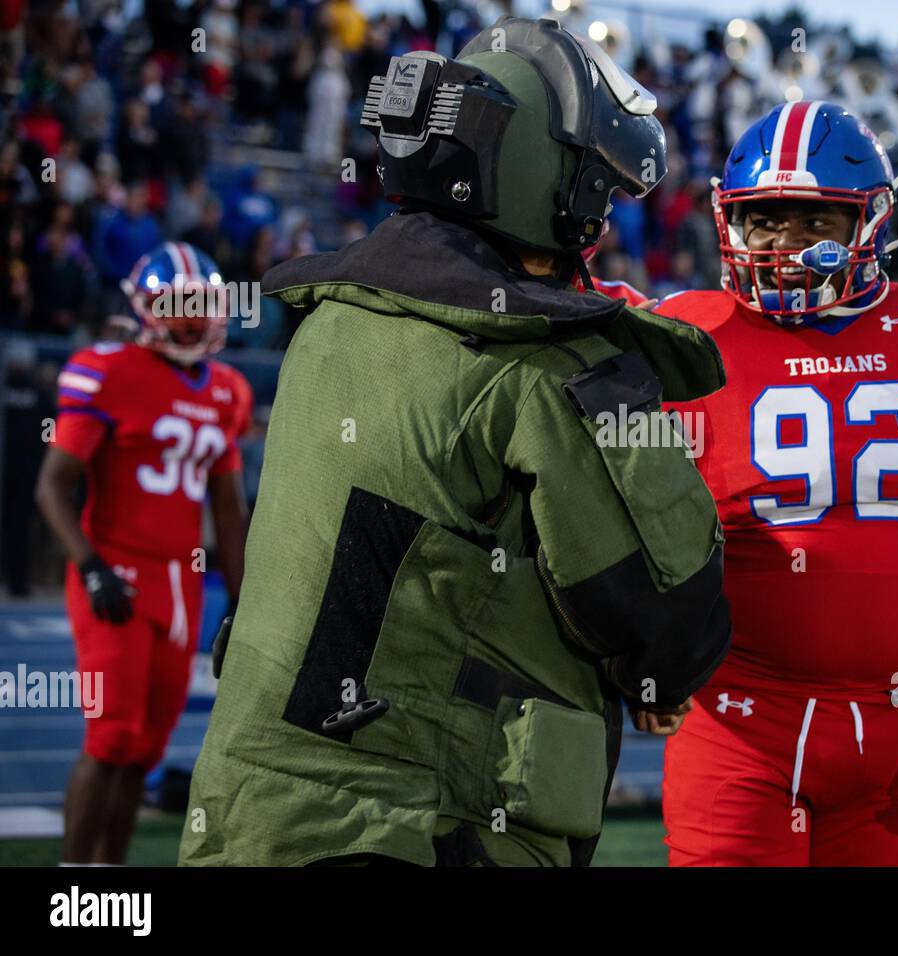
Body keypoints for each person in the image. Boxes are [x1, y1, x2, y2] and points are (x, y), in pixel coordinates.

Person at [179, 17, 731, 868]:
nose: (603, 220)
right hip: (423, 831)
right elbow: (670, 625)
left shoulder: (326, 323)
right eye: (598, 191)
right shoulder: (548, 368)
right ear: (551, 183)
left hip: (247, 814)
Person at [657, 101, 898, 866]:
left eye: (814, 222)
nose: (784, 245)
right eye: (764, 220)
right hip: (737, 722)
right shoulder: (686, 339)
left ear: (871, 223)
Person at [34, 241, 252, 864]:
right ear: (147, 307)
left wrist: (240, 599)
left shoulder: (227, 390)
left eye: (200, 304)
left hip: (181, 586)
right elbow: (52, 484)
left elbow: (229, 509)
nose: (190, 317)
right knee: (110, 739)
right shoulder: (109, 370)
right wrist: (90, 564)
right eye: (178, 304)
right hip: (116, 572)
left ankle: (112, 877)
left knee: (146, 750)